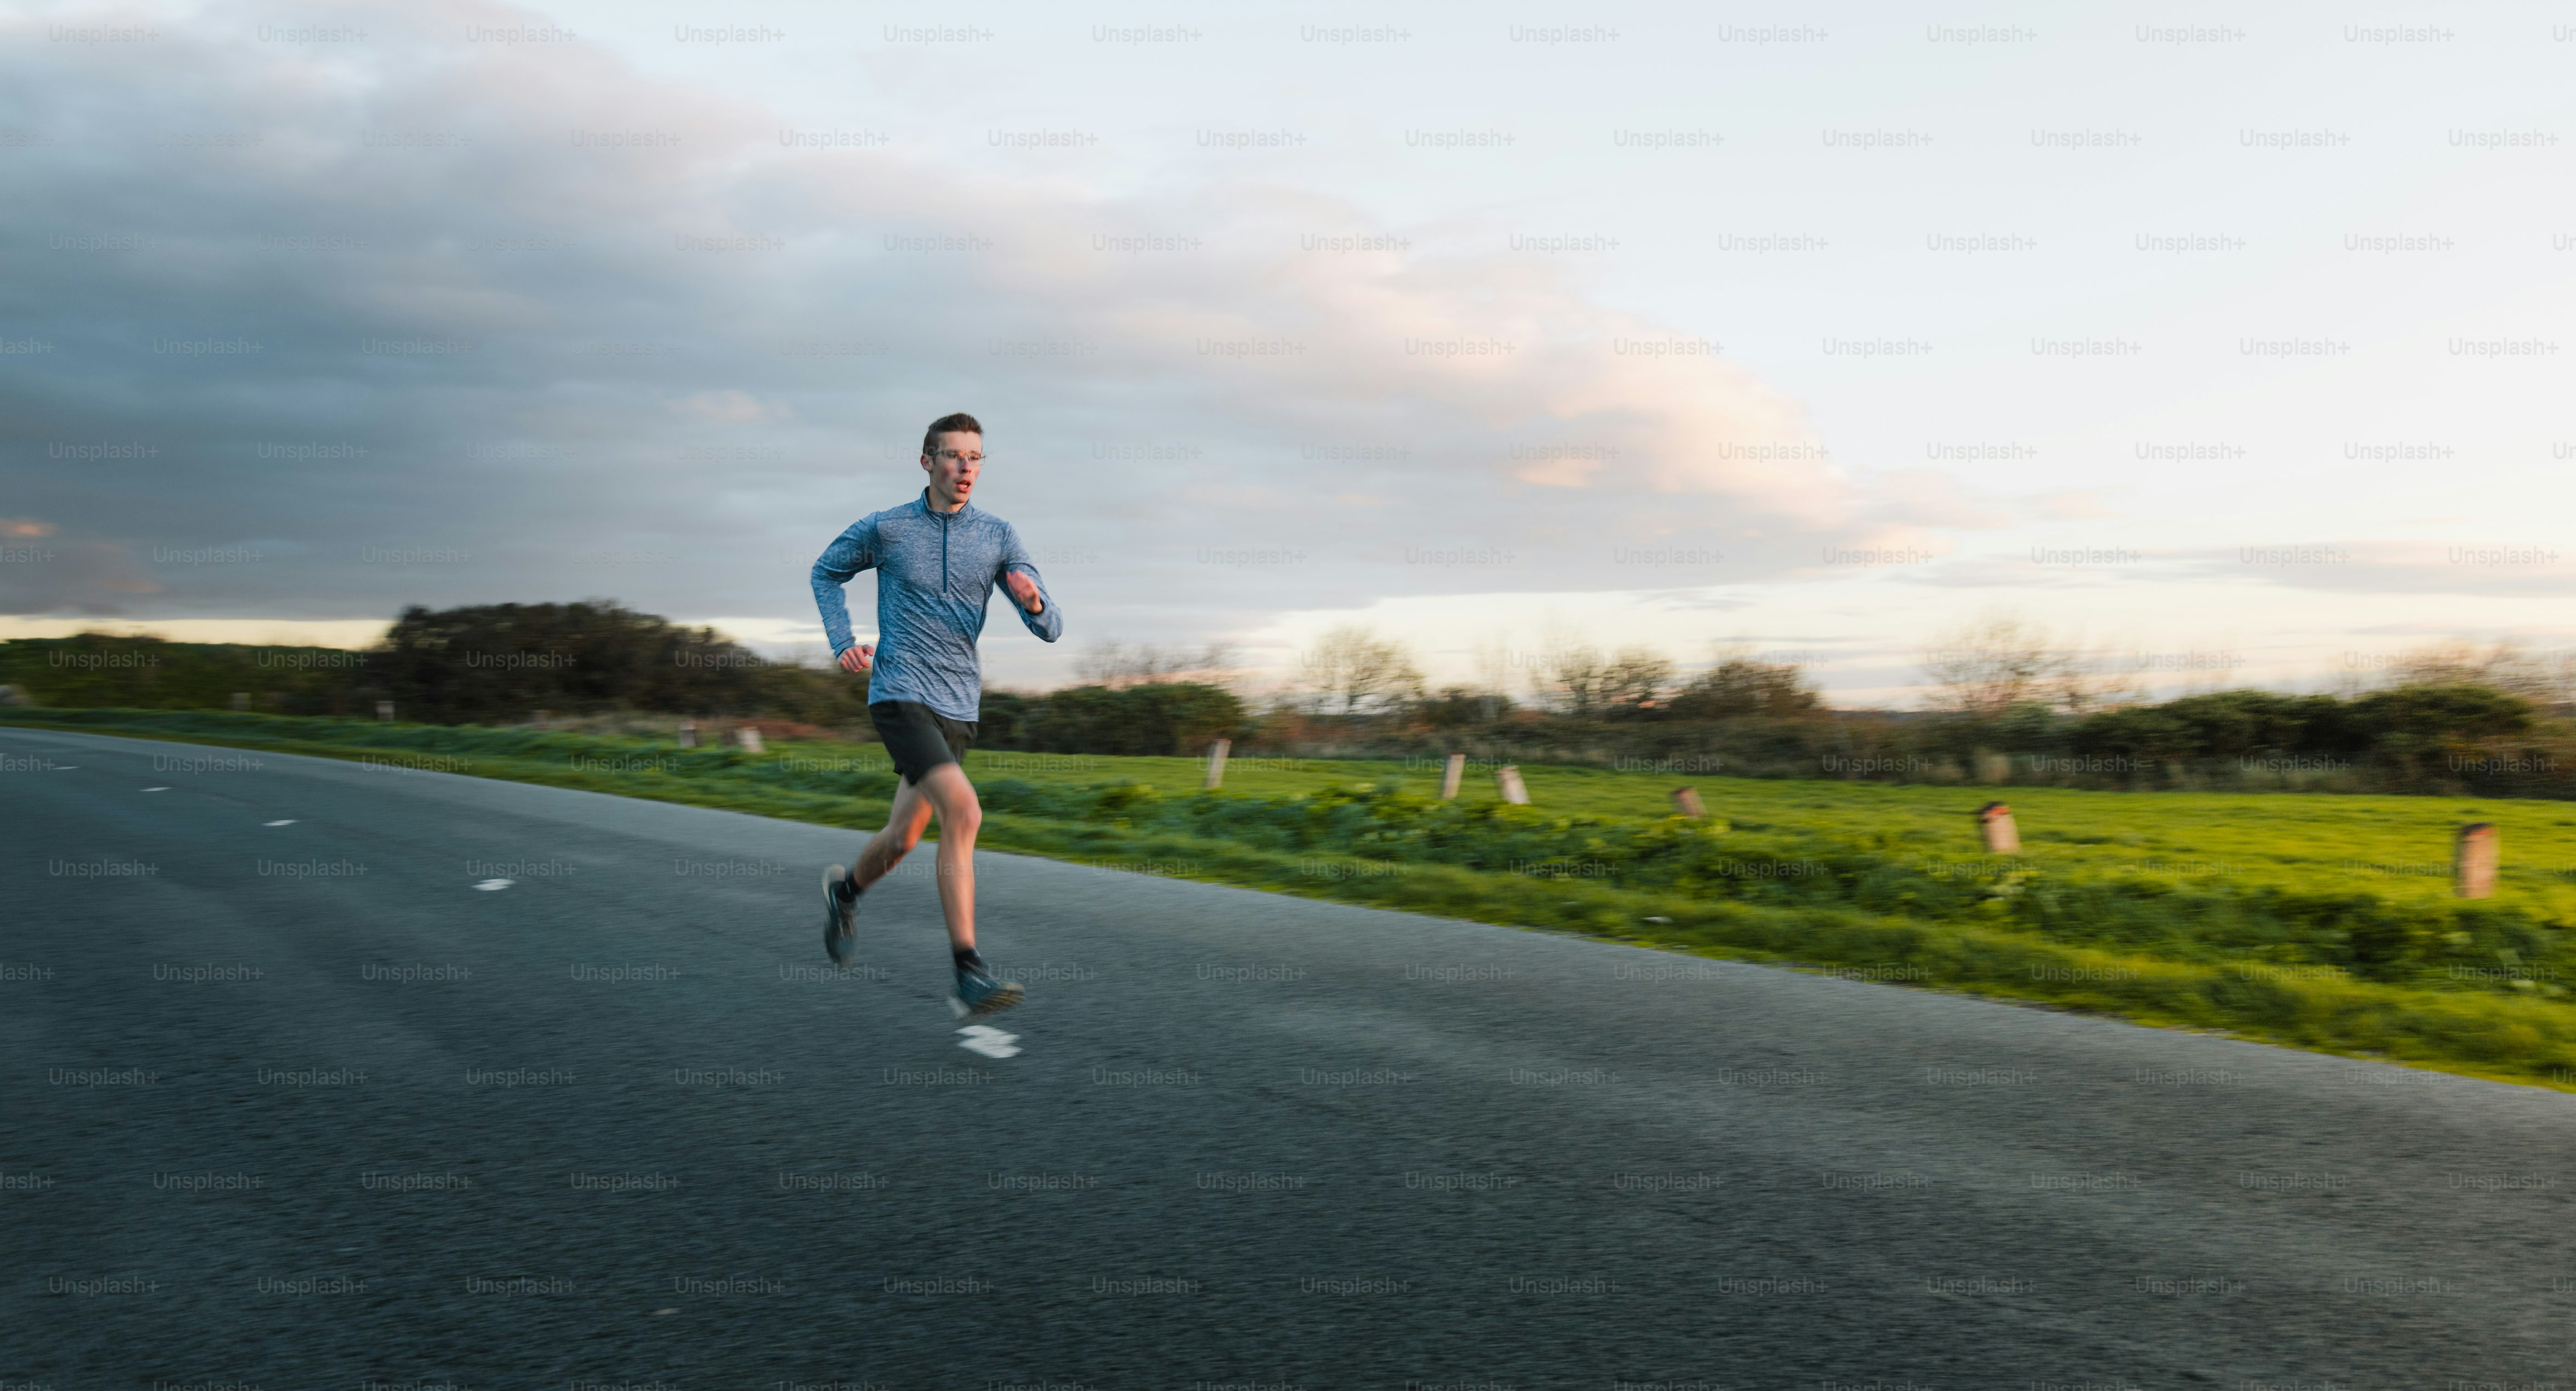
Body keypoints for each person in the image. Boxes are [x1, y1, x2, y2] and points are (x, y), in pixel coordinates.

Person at [809, 411, 1061, 1019]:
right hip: (898, 691)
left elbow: (1050, 626)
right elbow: (825, 571)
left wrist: (1033, 602)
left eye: (974, 457)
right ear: (927, 462)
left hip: (957, 705)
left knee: (903, 838)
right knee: (965, 809)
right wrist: (843, 639)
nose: (964, 467)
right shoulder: (888, 528)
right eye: (952, 455)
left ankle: (844, 892)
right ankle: (967, 969)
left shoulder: (999, 535)